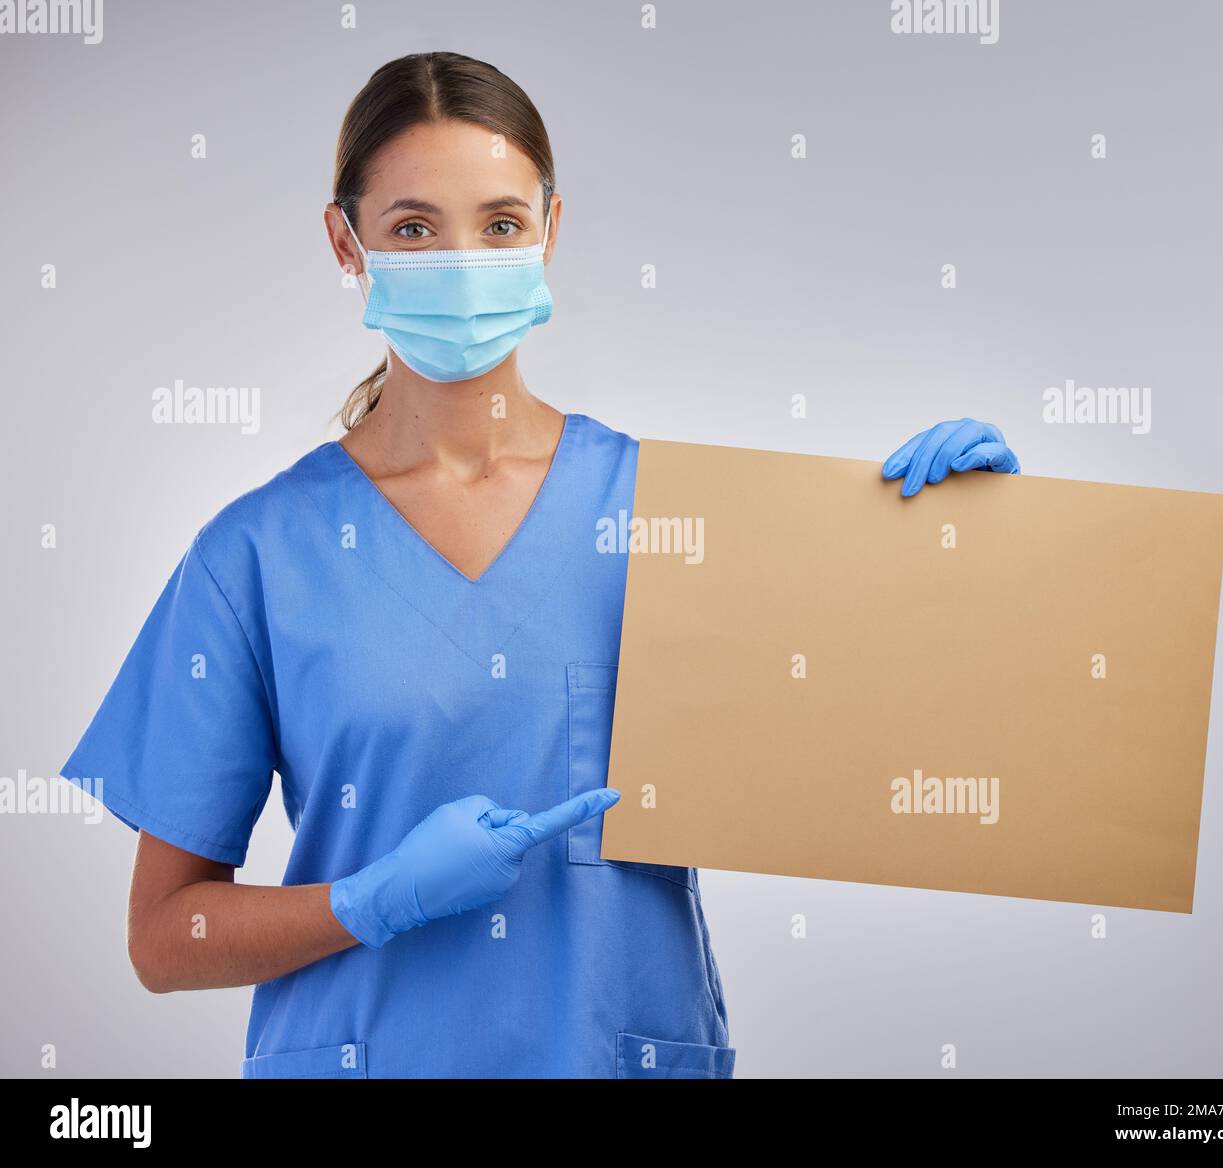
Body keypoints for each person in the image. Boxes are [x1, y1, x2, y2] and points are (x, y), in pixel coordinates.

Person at [60, 51, 1020, 1079]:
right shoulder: (252, 559)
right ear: (348, 241)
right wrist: (373, 897)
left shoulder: (669, 519)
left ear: (551, 231)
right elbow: (165, 938)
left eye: (501, 224)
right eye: (415, 228)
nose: (464, 259)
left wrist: (968, 546)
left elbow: (889, 751)